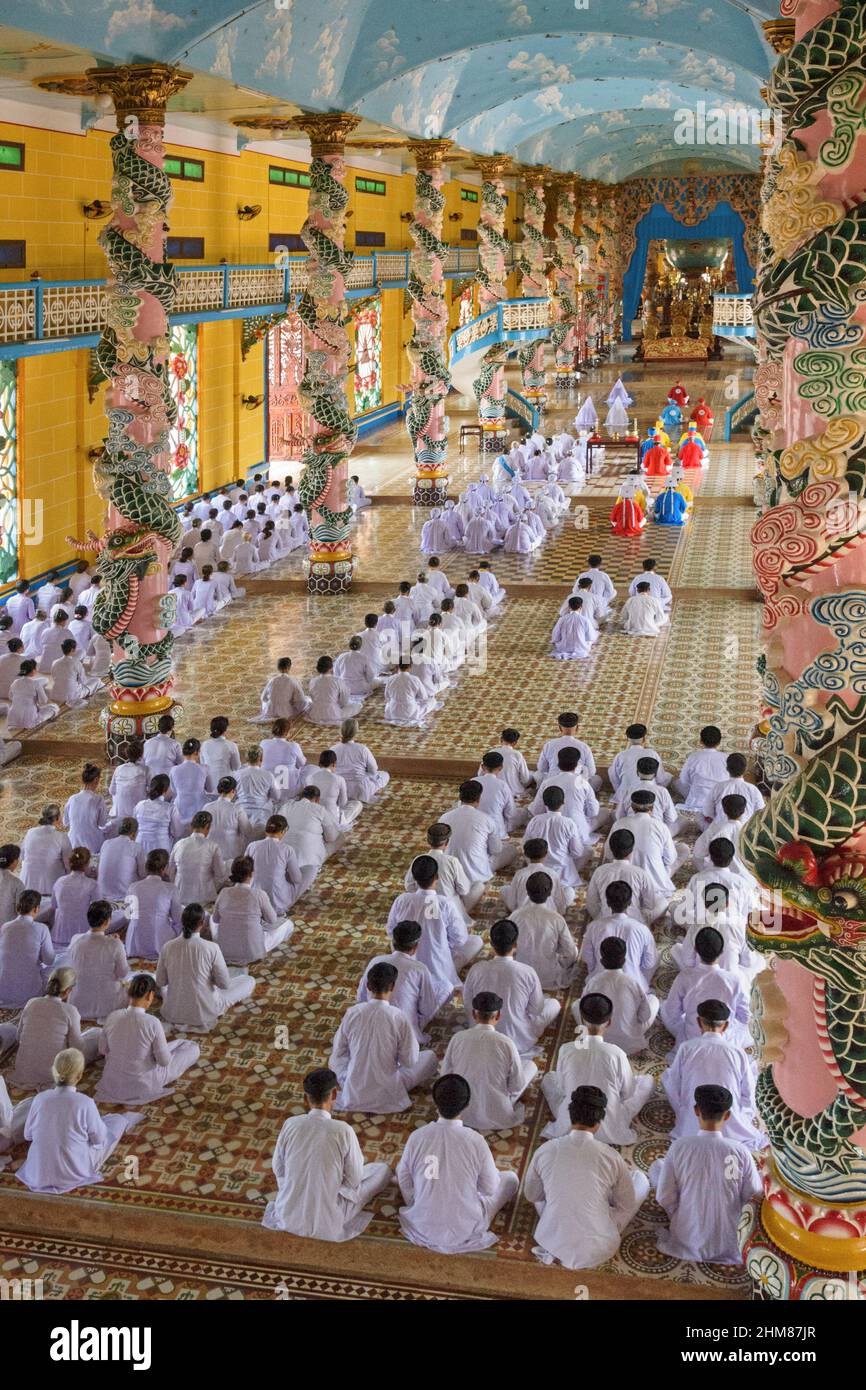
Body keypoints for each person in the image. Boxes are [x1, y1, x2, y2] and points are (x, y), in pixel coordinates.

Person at [524, 1084, 650, 1270]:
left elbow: (532, 1196)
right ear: (599, 1122)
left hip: (552, 1240)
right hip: (599, 1247)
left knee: (549, 1191)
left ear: (570, 1115)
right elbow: (626, 1205)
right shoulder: (611, 1156)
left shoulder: (546, 1149)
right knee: (640, 1179)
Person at [262, 1067, 393, 1239]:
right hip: (330, 1220)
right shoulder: (343, 1130)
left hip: (288, 1215)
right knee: (381, 1171)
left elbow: (278, 1168)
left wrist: (297, 1189)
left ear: (305, 1097)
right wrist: (329, 1186)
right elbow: (354, 1179)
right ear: (334, 1094)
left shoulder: (290, 1124)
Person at [396, 1073, 519, 1254]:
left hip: (422, 1222)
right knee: (510, 1179)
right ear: (467, 1105)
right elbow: (489, 1189)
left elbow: (404, 1180)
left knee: (403, 1168)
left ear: (434, 1102)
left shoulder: (418, 1136)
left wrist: (421, 1197)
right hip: (466, 1226)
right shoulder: (475, 1140)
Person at [650, 1083, 763, 1264]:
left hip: (687, 1239)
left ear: (696, 1111)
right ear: (727, 1115)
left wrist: (684, 1212)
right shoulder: (740, 1151)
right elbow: (753, 1196)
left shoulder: (680, 1146)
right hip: (731, 1243)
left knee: (657, 1167)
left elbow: (664, 1197)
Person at [16, 1047, 142, 1195]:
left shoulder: (40, 1098)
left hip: (37, 1173)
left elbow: (28, 1135)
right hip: (72, 1173)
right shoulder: (85, 1102)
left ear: (54, 1071)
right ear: (79, 1076)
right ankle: (123, 1120)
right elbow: (98, 1140)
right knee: (115, 1123)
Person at [543, 993, 654, 1144]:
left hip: (572, 1122)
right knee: (648, 1081)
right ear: (609, 1022)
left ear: (581, 1020)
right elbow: (627, 1093)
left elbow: (562, 1089)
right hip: (610, 1126)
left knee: (549, 1078)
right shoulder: (617, 1053)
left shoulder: (567, 1049)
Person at [329, 961, 438, 1113]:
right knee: (430, 1057)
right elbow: (409, 1061)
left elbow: (339, 1052)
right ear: (392, 987)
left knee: (335, 1060)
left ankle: (353, 1082)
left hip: (354, 1089)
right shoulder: (398, 1016)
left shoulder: (353, 1012)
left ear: (368, 986)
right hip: (389, 1090)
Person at [661, 1000, 766, 1149]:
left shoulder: (686, 1048)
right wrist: (744, 1116)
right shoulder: (738, 1052)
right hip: (730, 1119)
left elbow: (674, 1086)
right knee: (752, 1075)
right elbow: (748, 1093)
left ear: (699, 1022)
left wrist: (684, 1112)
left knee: (667, 1075)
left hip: (694, 1119)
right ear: (726, 1025)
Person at [96, 974, 201, 1104]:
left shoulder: (112, 1016)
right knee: (192, 1048)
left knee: (176, 1044)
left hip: (111, 1082)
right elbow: (163, 1062)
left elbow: (103, 1050)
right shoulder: (152, 1022)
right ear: (150, 995)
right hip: (143, 1084)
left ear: (129, 993)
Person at [463, 919, 560, 1059]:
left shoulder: (476, 969)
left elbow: (467, 1005)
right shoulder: (527, 972)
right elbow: (537, 1010)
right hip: (518, 1040)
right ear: (515, 945)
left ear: (491, 945)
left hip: (480, 1031)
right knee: (553, 1004)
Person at [442, 992, 537, 1133]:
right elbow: (516, 1086)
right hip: (498, 1113)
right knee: (531, 1066)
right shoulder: (506, 1042)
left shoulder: (458, 1038)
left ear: (474, 1014)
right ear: (498, 1016)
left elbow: (445, 1075)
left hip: (462, 1112)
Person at [387, 855, 482, 994]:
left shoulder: (402, 900)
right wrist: (443, 943)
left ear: (414, 878)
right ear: (437, 877)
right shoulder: (444, 903)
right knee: (476, 941)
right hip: (440, 967)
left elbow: (391, 930)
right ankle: (451, 968)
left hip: (407, 959)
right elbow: (460, 938)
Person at [157, 903, 255, 1032]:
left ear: (182, 922)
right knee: (248, 980)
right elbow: (224, 985)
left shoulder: (167, 946)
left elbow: (161, 982)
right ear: (202, 923)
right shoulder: (211, 948)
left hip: (174, 1011)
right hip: (206, 1010)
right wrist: (210, 979)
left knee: (162, 986)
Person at [9, 965, 102, 1089]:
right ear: (68, 991)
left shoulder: (31, 1002)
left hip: (24, 1072)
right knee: (97, 1033)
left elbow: (18, 1036)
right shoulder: (69, 1010)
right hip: (55, 1073)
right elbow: (77, 1048)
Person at [661, 925, 751, 1050]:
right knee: (751, 1027)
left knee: (664, 1007)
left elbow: (672, 1013)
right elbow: (746, 1017)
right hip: (725, 1039)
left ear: (696, 950)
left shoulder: (685, 977)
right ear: (721, 952)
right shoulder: (734, 981)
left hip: (692, 1038)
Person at [357, 920, 445, 1045]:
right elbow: (428, 1008)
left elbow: (361, 997)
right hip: (403, 1032)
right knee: (446, 987)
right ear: (415, 947)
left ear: (393, 942)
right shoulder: (419, 968)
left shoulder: (376, 961)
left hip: (371, 1025)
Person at [581, 936, 659, 1056]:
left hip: (600, 1039)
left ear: (601, 960)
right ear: (624, 960)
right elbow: (644, 1016)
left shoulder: (593, 982)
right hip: (630, 1045)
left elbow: (585, 1013)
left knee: (576, 1005)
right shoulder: (632, 982)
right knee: (654, 1000)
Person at [211, 855, 293, 965]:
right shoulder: (259, 894)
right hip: (252, 953)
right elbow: (272, 920)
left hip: (224, 952)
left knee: (211, 918)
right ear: (252, 873)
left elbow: (216, 920)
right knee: (288, 924)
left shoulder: (224, 892)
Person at [439, 779, 517, 890]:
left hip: (449, 869)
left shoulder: (444, 817)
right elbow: (496, 850)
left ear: (460, 798)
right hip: (477, 872)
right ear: (479, 799)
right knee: (511, 850)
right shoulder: (486, 820)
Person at [582, 880, 657, 988]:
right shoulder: (641, 929)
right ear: (630, 902)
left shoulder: (593, 927)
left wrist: (596, 970)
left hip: (599, 985)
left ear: (607, 903)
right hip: (633, 985)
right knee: (655, 957)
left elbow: (587, 957)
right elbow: (649, 963)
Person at [584, 828, 668, 923]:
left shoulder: (599, 871)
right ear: (632, 851)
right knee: (663, 902)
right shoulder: (640, 873)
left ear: (611, 850)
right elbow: (650, 905)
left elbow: (591, 904)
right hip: (635, 922)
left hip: (606, 921)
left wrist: (601, 917)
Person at [511, 871, 578, 989]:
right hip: (549, 979)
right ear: (550, 893)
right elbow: (570, 952)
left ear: (527, 892)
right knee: (575, 951)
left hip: (521, 977)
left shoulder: (515, 916)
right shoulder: (556, 919)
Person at [67, 900, 129, 1023]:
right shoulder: (115, 944)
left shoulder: (76, 941)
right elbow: (123, 973)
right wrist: (117, 944)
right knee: (131, 987)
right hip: (107, 1006)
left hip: (78, 1004)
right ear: (107, 921)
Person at [606, 791, 677, 895]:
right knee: (682, 849)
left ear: (632, 807)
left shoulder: (619, 823)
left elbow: (608, 854)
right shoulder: (661, 826)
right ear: (652, 808)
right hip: (654, 886)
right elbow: (670, 859)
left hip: (622, 885)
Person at [125, 850, 183, 959]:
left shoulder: (133, 887)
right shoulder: (171, 888)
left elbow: (128, 917)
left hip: (134, 942)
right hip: (160, 941)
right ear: (164, 868)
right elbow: (178, 920)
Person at [0, 889, 55, 1006]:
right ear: (36, 909)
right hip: (30, 993)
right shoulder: (41, 928)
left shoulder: (5, 927)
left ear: (17, 907)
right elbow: (49, 960)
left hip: (3, 992)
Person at [247, 813, 309, 914]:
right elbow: (297, 879)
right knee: (310, 869)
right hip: (278, 902)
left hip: (254, 898)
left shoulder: (252, 846)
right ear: (283, 831)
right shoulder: (287, 849)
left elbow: (245, 871)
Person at [47, 846, 103, 948]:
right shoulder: (92, 884)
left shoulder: (59, 881)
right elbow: (99, 910)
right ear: (87, 864)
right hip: (81, 934)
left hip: (58, 935)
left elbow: (53, 906)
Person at [501, 837, 574, 914]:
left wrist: (514, 909)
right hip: (550, 913)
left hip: (523, 913)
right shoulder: (552, 873)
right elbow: (559, 901)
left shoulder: (519, 874)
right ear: (546, 854)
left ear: (525, 854)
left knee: (504, 889)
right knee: (569, 891)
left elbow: (512, 904)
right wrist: (559, 912)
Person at [283, 786, 342, 879]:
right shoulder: (319, 809)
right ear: (318, 799)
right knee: (340, 836)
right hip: (308, 862)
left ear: (301, 796)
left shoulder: (287, 806)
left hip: (283, 859)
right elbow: (331, 837)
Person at [169, 811, 227, 905]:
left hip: (180, 897)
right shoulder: (212, 846)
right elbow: (221, 875)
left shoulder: (179, 844)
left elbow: (171, 871)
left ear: (192, 827)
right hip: (205, 898)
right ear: (208, 828)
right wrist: (211, 888)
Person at [674, 725, 729, 818]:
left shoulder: (694, 757)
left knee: (676, 781)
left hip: (696, 804)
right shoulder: (726, 758)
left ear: (700, 741)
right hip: (721, 805)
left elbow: (684, 781)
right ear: (719, 742)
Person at [331, 718, 389, 803]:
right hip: (360, 790)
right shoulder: (362, 749)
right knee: (385, 775)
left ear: (341, 731)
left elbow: (330, 772)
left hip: (339, 790)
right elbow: (373, 770)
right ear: (356, 732)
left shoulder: (333, 749)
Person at [20, 804, 71, 896]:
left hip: (27, 885)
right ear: (58, 818)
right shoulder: (62, 837)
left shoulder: (30, 832)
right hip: (50, 888)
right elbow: (69, 865)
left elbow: (22, 856)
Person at [133, 774, 183, 857]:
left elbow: (135, 826)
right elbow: (178, 832)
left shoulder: (139, 805)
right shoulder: (170, 808)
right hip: (161, 847)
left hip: (140, 844)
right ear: (165, 790)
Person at [307, 655, 363, 725]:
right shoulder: (337, 680)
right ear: (331, 667)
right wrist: (339, 705)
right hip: (333, 714)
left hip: (315, 714)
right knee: (357, 705)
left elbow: (313, 698)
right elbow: (344, 700)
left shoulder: (313, 681)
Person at [7, 657, 59, 731]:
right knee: (54, 707)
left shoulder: (15, 682)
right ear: (33, 670)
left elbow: (10, 697)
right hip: (29, 720)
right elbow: (43, 701)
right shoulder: (35, 683)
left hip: (12, 719)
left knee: (35, 707)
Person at [710, 752, 765, 821]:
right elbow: (761, 812)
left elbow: (708, 812)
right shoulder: (753, 789)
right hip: (745, 829)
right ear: (745, 769)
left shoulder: (717, 787)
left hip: (721, 828)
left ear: (727, 769)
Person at [254, 655, 311, 722]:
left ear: (278, 668)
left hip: (270, 711)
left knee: (267, 702)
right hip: (285, 713)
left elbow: (263, 698)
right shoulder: (293, 680)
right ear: (289, 667)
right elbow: (300, 699)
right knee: (307, 700)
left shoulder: (273, 680)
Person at [50, 637, 102, 706]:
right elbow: (84, 681)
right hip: (72, 695)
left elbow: (54, 677)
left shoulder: (55, 662)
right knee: (97, 680)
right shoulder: (76, 662)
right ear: (72, 650)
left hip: (55, 695)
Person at [109, 740, 149, 822]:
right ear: (141, 755)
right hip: (138, 814)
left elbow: (111, 791)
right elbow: (152, 791)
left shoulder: (119, 769)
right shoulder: (146, 770)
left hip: (120, 813)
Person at [550, 595, 597, 660]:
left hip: (564, 647)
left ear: (569, 607)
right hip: (581, 647)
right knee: (595, 635)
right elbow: (590, 637)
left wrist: (556, 641)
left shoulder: (562, 619)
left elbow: (556, 635)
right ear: (581, 607)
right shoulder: (585, 620)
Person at [200, 716, 242, 785]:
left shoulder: (204, 744)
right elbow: (236, 767)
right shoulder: (232, 745)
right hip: (226, 788)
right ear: (225, 730)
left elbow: (203, 765)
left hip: (209, 787)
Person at [141, 714, 183, 780]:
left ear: (158, 727)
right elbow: (181, 764)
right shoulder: (175, 744)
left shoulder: (147, 743)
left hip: (150, 782)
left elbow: (143, 762)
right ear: (172, 727)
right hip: (167, 783)